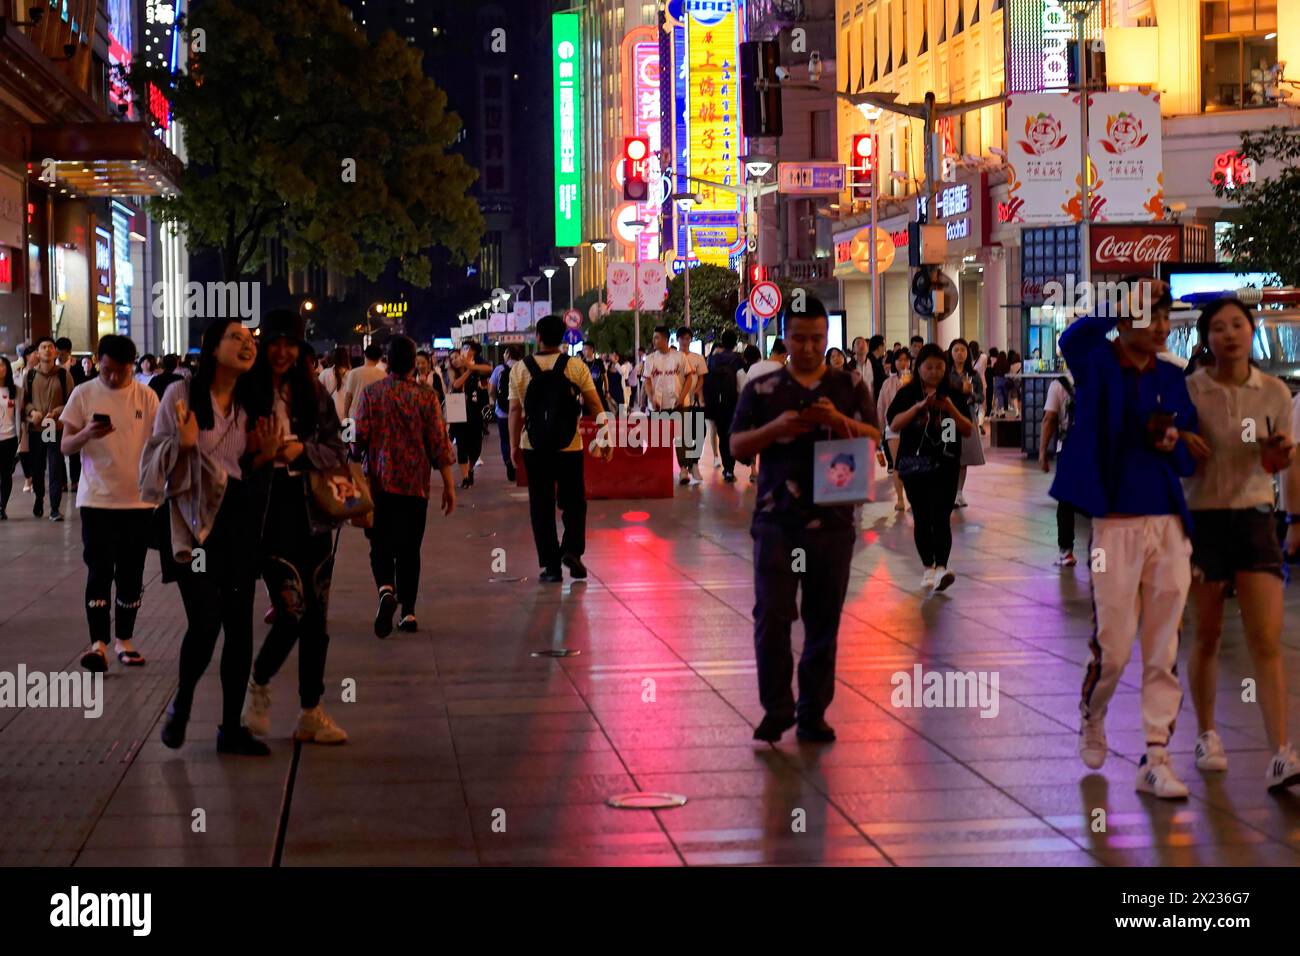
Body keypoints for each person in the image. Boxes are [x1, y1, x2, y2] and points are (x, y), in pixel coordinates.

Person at [1051, 278, 1201, 799]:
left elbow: (1187, 455)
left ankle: (1156, 754)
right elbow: (1072, 339)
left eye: (1165, 317)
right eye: (1149, 315)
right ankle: (1093, 714)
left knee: (1164, 646)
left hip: (1167, 522)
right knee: (1114, 648)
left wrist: (1177, 441)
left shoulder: (1173, 377)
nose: (1160, 326)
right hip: (1114, 522)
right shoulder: (1097, 365)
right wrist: (1119, 304)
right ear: (1125, 318)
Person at [730, 295, 880, 744]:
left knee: (823, 619)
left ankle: (813, 711)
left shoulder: (849, 386)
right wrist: (775, 430)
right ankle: (777, 707)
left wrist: (838, 420)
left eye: (818, 338)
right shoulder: (764, 388)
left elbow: (877, 436)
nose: (810, 347)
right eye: (800, 338)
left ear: (827, 337)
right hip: (777, 521)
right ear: (785, 336)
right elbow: (737, 446)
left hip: (833, 524)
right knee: (772, 616)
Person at [143, 319, 282, 756]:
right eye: (235, 338)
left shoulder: (255, 401)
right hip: (192, 526)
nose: (247, 345)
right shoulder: (179, 395)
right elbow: (152, 466)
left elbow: (254, 469)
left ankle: (230, 728)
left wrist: (266, 454)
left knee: (239, 626)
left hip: (237, 524)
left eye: (250, 341)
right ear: (211, 346)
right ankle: (181, 704)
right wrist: (181, 444)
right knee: (205, 621)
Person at [1182, 297, 1300, 790]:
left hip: (1254, 520)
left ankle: (1282, 752)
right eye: (1219, 328)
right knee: (1207, 635)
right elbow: (1169, 455)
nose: (1229, 334)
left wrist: (1277, 458)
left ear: (1251, 333)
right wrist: (1181, 443)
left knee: (1265, 639)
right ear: (1206, 338)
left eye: (1238, 326)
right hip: (1203, 522)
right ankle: (1207, 733)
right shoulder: (1189, 391)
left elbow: (1278, 467)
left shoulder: (1273, 392)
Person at [242, 310, 351, 745]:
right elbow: (230, 456)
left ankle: (311, 710)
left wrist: (298, 450)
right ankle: (260, 685)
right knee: (291, 613)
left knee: (317, 620)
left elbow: (336, 448)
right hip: (268, 514)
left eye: (293, 344)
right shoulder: (245, 394)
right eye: (276, 342)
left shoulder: (314, 393)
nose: (284, 352)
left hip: (314, 512)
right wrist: (262, 454)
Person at [60, 335, 159, 671]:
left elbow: (159, 444)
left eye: (121, 371)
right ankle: (98, 644)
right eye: (107, 370)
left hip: (139, 502)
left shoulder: (146, 396)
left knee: (132, 574)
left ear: (133, 365)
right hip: (97, 500)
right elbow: (65, 446)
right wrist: (86, 433)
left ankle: (125, 640)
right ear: (98, 362)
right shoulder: (83, 393)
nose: (114, 377)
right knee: (99, 572)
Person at [353, 335, 456, 636]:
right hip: (415, 485)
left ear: (388, 361)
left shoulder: (372, 394)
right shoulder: (426, 396)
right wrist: (449, 486)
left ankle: (386, 589)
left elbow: (358, 437)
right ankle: (408, 613)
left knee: (380, 544)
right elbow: (439, 443)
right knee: (410, 548)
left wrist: (353, 464)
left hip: (379, 484)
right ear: (414, 363)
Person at [509, 315, 606, 582]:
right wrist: (605, 436)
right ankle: (572, 550)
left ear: (537, 337)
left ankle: (551, 567)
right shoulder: (575, 367)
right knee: (574, 501)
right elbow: (595, 405)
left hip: (534, 446)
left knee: (541, 505)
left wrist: (514, 446)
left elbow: (515, 411)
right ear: (563, 338)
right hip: (569, 445)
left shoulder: (520, 369)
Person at [888, 344, 972, 591]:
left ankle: (942, 567)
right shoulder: (907, 393)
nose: (934, 371)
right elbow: (893, 424)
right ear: (919, 368)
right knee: (923, 517)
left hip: (946, 464)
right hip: (916, 465)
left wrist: (950, 409)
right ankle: (928, 567)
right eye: (929, 367)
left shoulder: (954, 394)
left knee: (942, 516)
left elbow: (967, 429)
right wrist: (917, 408)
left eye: (939, 367)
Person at [19, 336, 73, 520]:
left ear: (55, 351)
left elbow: (71, 402)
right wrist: (32, 411)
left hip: (54, 428)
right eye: (43, 347)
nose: (47, 350)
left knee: (56, 466)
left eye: (51, 347)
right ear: (37, 352)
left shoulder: (63, 375)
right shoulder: (31, 375)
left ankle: (55, 507)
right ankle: (39, 498)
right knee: (38, 467)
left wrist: (57, 411)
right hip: (36, 429)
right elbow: (24, 401)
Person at [643, 325, 698, 486]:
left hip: (678, 404)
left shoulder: (679, 357)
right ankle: (660, 470)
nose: (654, 340)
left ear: (666, 339)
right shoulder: (651, 359)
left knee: (681, 439)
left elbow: (689, 377)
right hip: (658, 406)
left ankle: (684, 470)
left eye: (657, 337)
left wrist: (682, 397)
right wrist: (651, 397)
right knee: (658, 439)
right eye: (654, 338)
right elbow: (647, 381)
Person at [1039, 369, 1078, 566]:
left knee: (1066, 503)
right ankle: (1101, 557)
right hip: (1099, 450)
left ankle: (1066, 551)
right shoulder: (1103, 378)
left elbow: (1049, 419)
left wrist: (1042, 452)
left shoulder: (1059, 385)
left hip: (1069, 448)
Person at [946, 338, 985, 508]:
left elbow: (981, 397)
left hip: (967, 416)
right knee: (948, 455)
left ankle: (959, 493)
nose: (960, 353)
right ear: (951, 353)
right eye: (956, 350)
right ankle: (949, 491)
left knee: (964, 456)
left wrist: (971, 395)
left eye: (963, 350)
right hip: (948, 417)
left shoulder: (974, 374)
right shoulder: (946, 373)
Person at [449, 340, 492, 488]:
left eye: (467, 349)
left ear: (473, 352)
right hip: (458, 411)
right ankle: (465, 477)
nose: (458, 357)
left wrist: (472, 367)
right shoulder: (453, 370)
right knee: (461, 446)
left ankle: (470, 468)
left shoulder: (478, 364)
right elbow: (456, 384)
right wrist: (469, 369)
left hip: (475, 413)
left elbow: (488, 369)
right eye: (463, 349)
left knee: (476, 448)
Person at [704, 330, 745, 482]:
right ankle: (730, 469)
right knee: (731, 436)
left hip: (716, 404)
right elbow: (742, 383)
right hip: (733, 404)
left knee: (721, 436)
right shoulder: (737, 359)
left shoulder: (712, 359)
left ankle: (726, 468)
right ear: (735, 343)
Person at [875, 349, 913, 512]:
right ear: (894, 363)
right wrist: (880, 430)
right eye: (899, 360)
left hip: (912, 426)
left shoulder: (915, 381)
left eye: (906, 360)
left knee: (912, 463)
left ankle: (912, 498)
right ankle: (899, 498)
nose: (903, 363)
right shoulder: (888, 383)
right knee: (898, 463)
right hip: (893, 427)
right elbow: (881, 406)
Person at [676, 327, 709, 483]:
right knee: (682, 435)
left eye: (688, 338)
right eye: (682, 338)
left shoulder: (698, 358)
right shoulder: (674, 358)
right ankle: (684, 468)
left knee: (700, 432)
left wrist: (696, 391)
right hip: (679, 402)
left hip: (695, 401)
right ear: (678, 340)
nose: (685, 341)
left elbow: (702, 378)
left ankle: (694, 463)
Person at [489, 345, 522, 481]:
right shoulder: (523, 367)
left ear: (507, 354)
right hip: (520, 412)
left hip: (502, 412)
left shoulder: (499, 369)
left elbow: (491, 389)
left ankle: (508, 461)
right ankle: (519, 466)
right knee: (519, 439)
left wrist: (495, 400)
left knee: (505, 440)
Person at [340, 343, 386, 422]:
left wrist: (345, 414)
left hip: (355, 415)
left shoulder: (354, 373)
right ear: (379, 359)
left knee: (351, 434)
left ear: (364, 355)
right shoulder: (383, 375)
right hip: (376, 417)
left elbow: (348, 396)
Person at [0, 356, 19, 519]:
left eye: (2, 366)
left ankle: (2, 506)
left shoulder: (15, 390)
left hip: (9, 438)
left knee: (5, 473)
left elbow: (20, 414)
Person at [319, 346, 352, 420]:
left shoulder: (324, 373)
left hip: (330, 414)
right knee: (346, 432)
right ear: (346, 358)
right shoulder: (351, 374)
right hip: (347, 414)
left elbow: (319, 394)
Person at [582, 343, 608, 410]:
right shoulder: (582, 363)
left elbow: (605, 377)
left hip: (598, 392)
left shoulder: (599, 362)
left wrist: (607, 391)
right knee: (587, 417)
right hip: (586, 394)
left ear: (591, 350)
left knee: (602, 413)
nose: (583, 351)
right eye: (583, 349)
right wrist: (580, 395)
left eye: (585, 349)